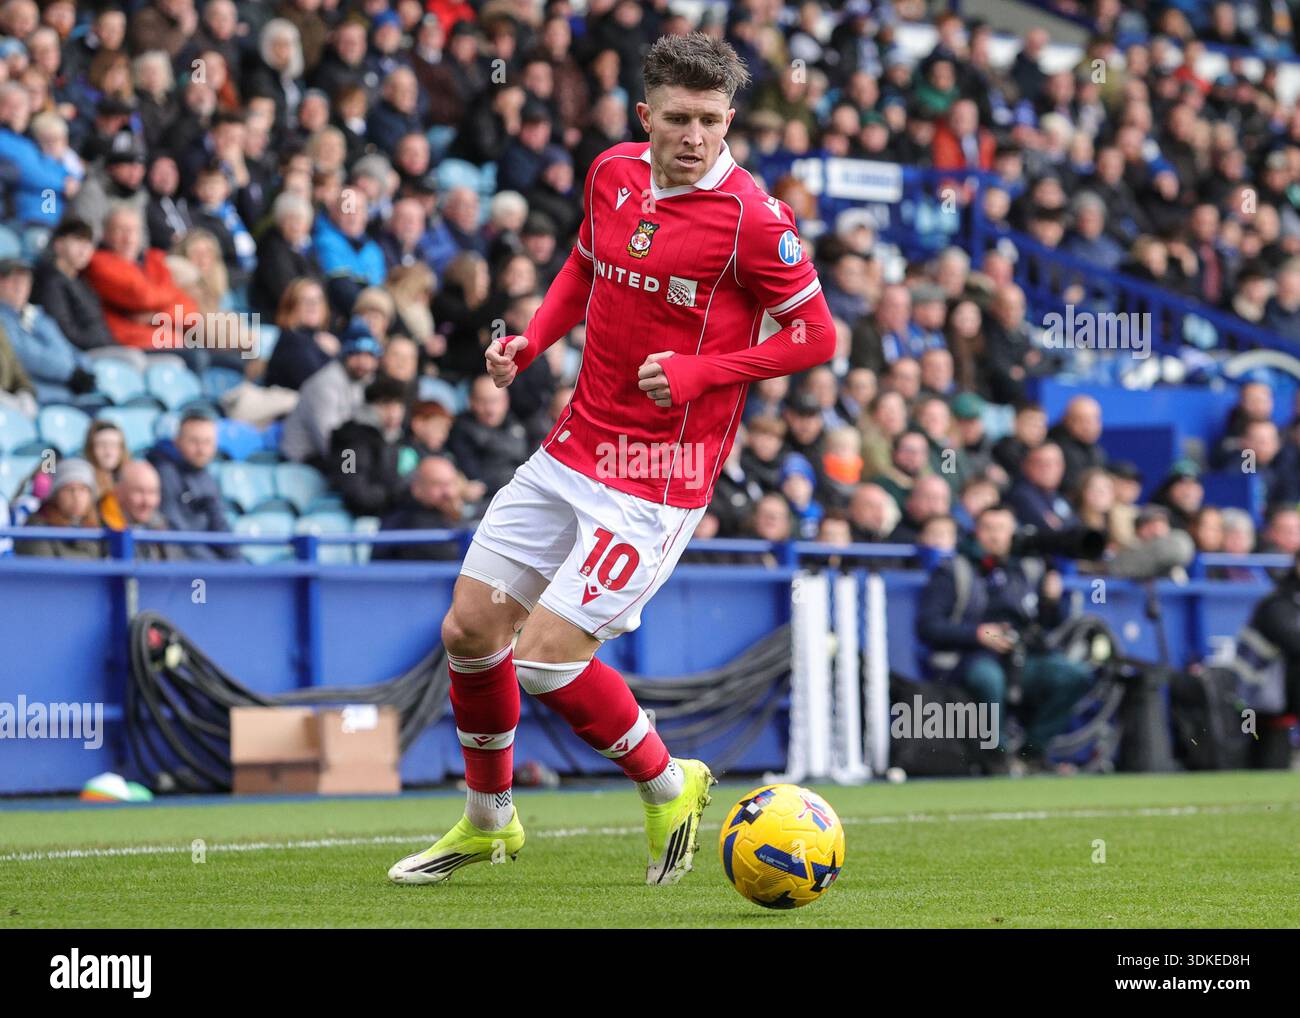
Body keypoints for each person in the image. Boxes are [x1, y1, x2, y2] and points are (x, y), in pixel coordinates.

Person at [387, 33, 834, 888]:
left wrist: (706, 372)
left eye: (709, 120)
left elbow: (818, 336)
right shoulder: (611, 174)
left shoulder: (754, 220)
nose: (694, 136)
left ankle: (672, 784)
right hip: (574, 444)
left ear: (729, 120)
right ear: (646, 117)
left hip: (657, 481)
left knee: (546, 657)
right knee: (471, 630)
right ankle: (490, 823)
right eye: (677, 119)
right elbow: (584, 266)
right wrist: (533, 339)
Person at [916, 503, 1094, 763]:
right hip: (970, 657)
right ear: (976, 532)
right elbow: (928, 627)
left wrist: (1051, 601)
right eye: (987, 528)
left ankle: (1031, 752)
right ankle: (995, 756)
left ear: (1013, 532)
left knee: (1073, 674)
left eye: (1001, 529)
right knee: (989, 679)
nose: (995, 536)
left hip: (1022, 655)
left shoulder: (1029, 568)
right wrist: (977, 633)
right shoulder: (953, 570)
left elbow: (1049, 626)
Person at [279, 318, 380, 465]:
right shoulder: (326, 384)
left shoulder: (360, 381)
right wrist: (355, 465)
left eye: (369, 356)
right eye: (356, 354)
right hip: (300, 460)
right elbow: (328, 441)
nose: (363, 362)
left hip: (330, 455)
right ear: (345, 354)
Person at [146, 409, 238, 561]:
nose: (201, 450)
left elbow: (220, 526)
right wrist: (216, 566)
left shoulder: (207, 476)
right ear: (177, 441)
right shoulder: (164, 472)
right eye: (194, 441)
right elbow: (175, 530)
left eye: (207, 442)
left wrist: (237, 564)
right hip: (183, 567)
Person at [372, 455, 466, 561]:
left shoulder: (446, 515)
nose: (449, 493)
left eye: (451, 483)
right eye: (438, 484)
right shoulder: (407, 521)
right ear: (417, 488)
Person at [15, 457, 104, 559]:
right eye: (69, 489)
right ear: (55, 495)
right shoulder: (37, 526)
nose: (76, 496)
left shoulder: (96, 526)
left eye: (83, 489)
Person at [105, 460, 185, 561]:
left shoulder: (162, 527)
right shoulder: (98, 527)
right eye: (139, 491)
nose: (147, 502)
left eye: (152, 492)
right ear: (118, 492)